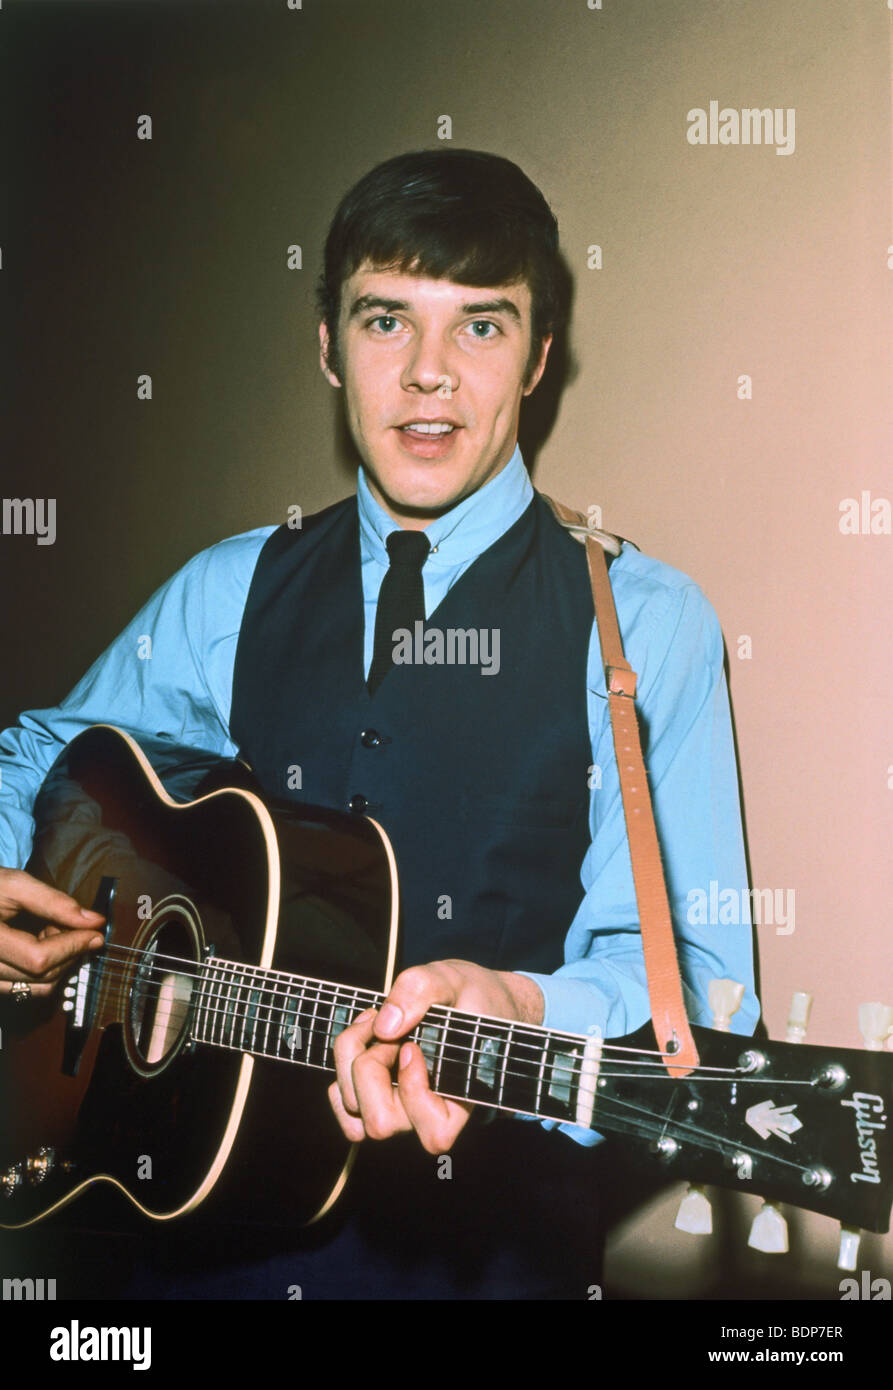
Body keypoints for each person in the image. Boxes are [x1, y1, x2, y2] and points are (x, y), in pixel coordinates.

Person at [0, 147, 758, 1298]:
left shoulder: (643, 624)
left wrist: (517, 1005)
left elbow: (698, 987)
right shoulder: (227, 587)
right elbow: (41, 757)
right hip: (186, 1235)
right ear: (327, 348)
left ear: (539, 360)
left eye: (481, 327)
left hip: (482, 1265)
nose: (429, 377)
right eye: (386, 321)